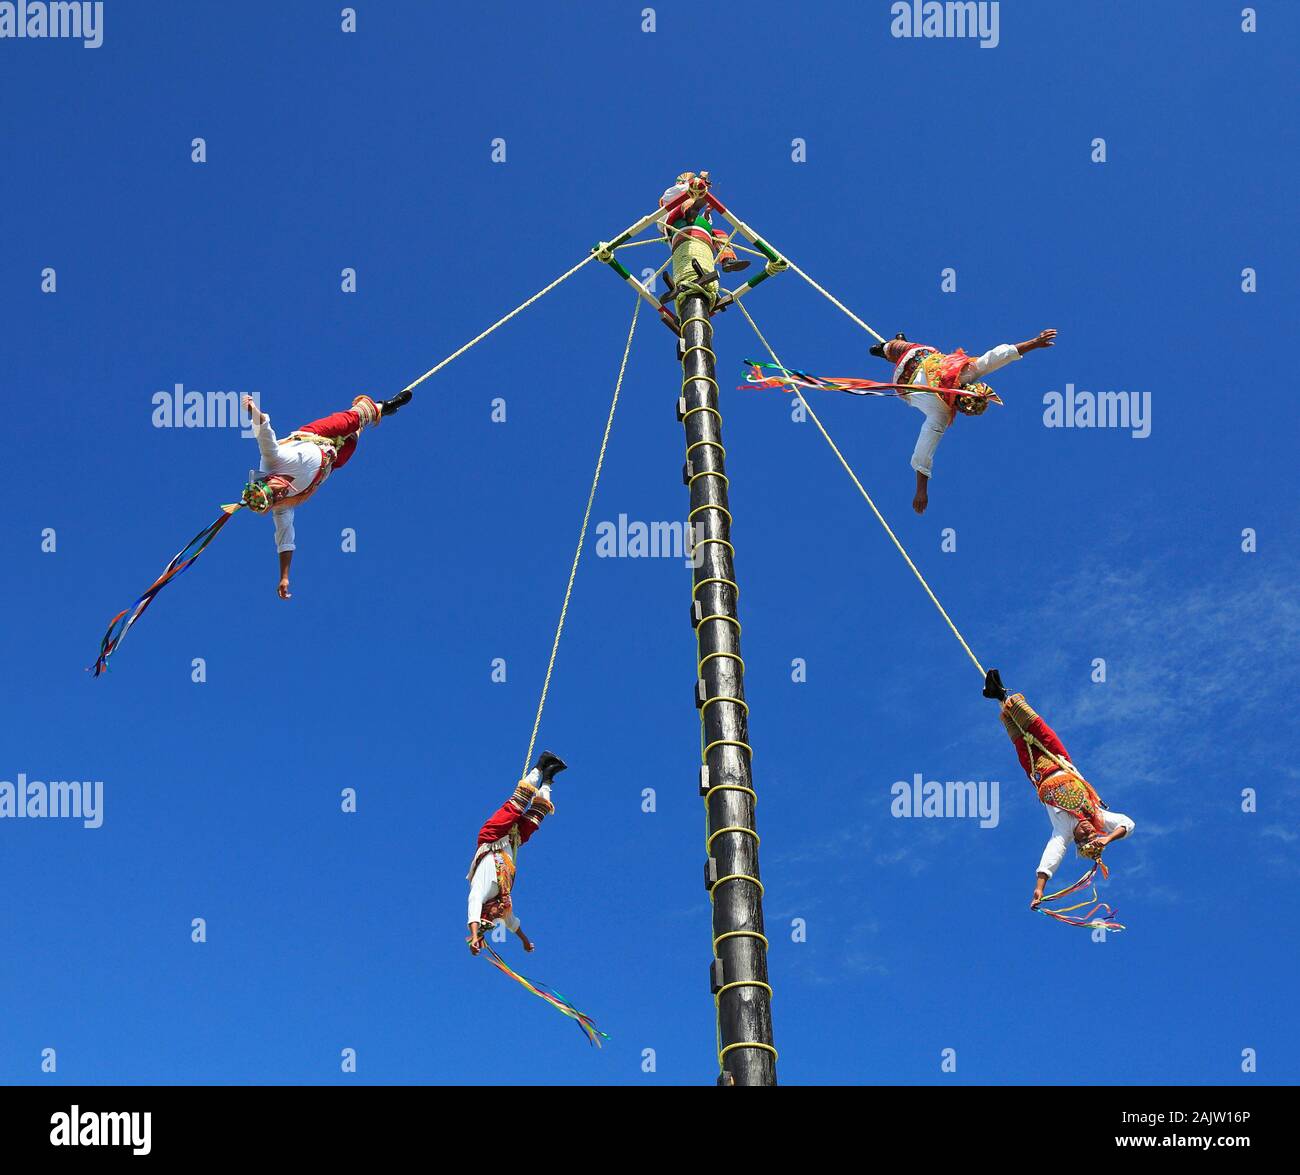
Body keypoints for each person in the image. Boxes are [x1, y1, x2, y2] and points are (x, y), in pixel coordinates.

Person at [982, 669, 1135, 909]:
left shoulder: (1065, 829)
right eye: (1092, 833)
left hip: (1038, 771)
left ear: (1076, 839)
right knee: (1037, 727)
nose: (1088, 831)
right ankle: (1002, 694)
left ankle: (998, 696)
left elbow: (1052, 855)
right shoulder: (1097, 815)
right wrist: (1106, 839)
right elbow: (1128, 823)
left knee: (1017, 734)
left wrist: (1039, 888)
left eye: (1085, 837)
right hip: (1060, 760)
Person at [239, 390, 411, 598]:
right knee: (354, 438)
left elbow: (263, 432)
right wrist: (284, 576)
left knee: (351, 420)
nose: (279, 493)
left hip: (317, 435)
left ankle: (383, 406)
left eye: (273, 490)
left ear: (267, 480)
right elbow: (284, 540)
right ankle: (373, 414)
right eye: (275, 497)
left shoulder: (272, 461)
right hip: (331, 461)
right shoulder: (282, 504)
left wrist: (252, 410)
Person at [867, 329, 1057, 514]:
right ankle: (888, 347)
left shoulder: (940, 414)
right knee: (894, 347)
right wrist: (1034, 343)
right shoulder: (964, 375)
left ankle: (890, 347)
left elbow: (924, 451)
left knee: (897, 349)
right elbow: (999, 356)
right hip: (917, 355)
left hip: (905, 377)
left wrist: (921, 490)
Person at [467, 751, 568, 956]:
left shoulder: (481, 891)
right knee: (535, 818)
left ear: (487, 911)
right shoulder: (504, 904)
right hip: (512, 841)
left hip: (492, 837)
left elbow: (473, 911)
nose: (498, 917)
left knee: (517, 804)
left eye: (492, 916)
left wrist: (475, 936)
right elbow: (514, 926)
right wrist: (525, 941)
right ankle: (548, 777)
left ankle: (539, 765)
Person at [659, 171, 749, 274]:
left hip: (690, 221)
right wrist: (701, 181)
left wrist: (707, 212)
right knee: (688, 202)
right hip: (672, 221)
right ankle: (691, 212)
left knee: (720, 234)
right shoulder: (671, 192)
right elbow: (687, 189)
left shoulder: (690, 195)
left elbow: (703, 224)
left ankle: (727, 260)